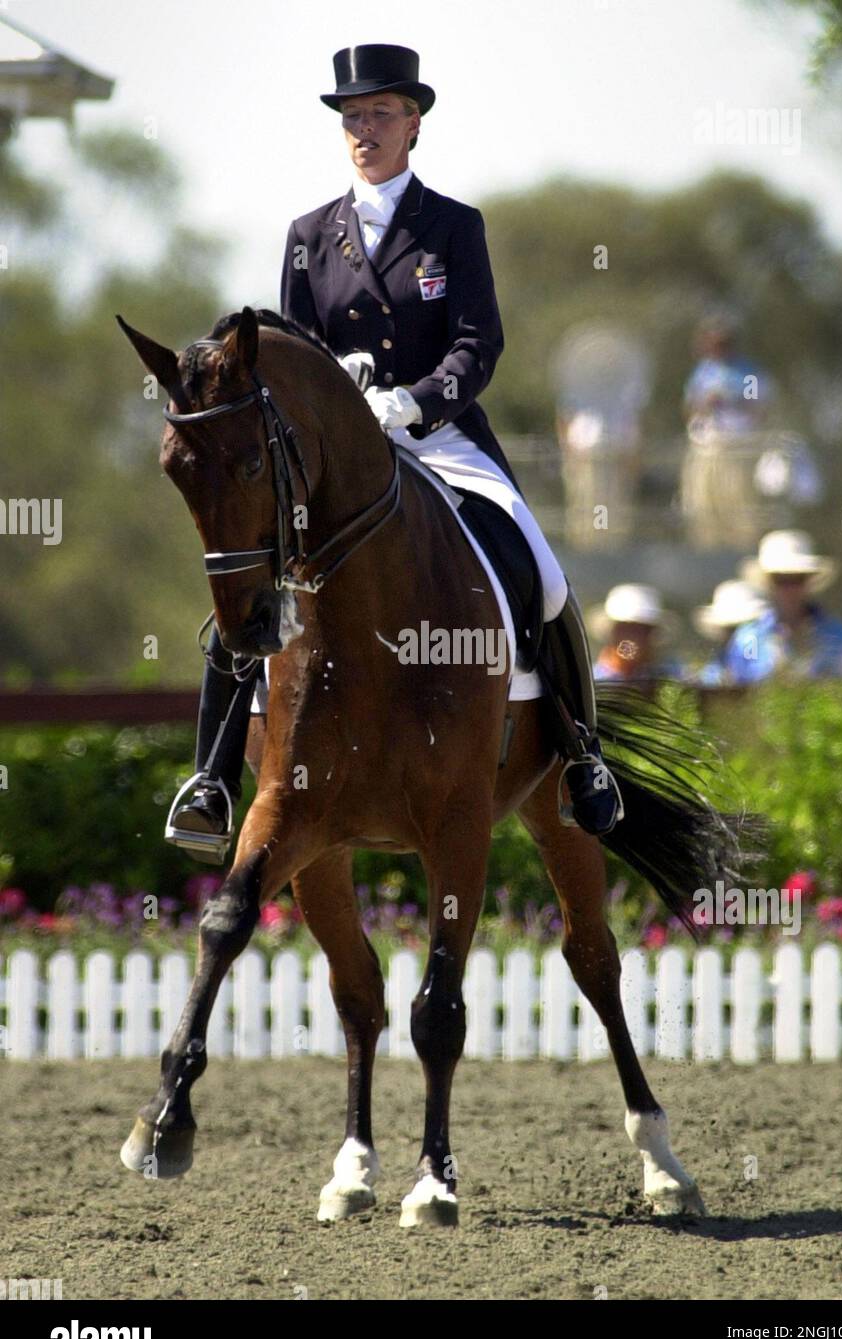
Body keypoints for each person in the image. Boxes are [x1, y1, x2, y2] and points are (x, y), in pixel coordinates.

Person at [168, 44, 622, 862]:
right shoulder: (309, 236)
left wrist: (413, 400)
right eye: (351, 117)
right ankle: (211, 779)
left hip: (441, 437)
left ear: (414, 123)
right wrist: (335, 403)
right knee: (242, 595)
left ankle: (582, 753)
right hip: (341, 458)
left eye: (378, 114)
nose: (363, 129)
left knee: (543, 573)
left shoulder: (452, 226)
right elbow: (287, 349)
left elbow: (479, 346)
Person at [680, 312, 773, 549]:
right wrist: (704, 404)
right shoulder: (702, 372)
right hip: (706, 447)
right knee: (703, 503)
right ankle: (707, 548)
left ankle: (742, 548)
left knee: (739, 503)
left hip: (737, 448)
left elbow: (758, 408)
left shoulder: (748, 372)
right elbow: (690, 408)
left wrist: (729, 400)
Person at [722, 530, 842, 683]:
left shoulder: (838, 636)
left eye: (797, 579)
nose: (789, 589)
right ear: (768, 583)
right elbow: (737, 695)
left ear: (808, 581)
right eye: (781, 580)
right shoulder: (747, 641)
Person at [586, 584, 681, 682]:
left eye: (640, 631)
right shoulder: (589, 681)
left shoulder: (668, 679)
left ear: (650, 635)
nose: (632, 638)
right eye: (624, 629)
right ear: (612, 632)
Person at [692, 580, 768, 686]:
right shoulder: (719, 661)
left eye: (741, 628)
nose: (737, 636)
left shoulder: (766, 653)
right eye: (730, 628)